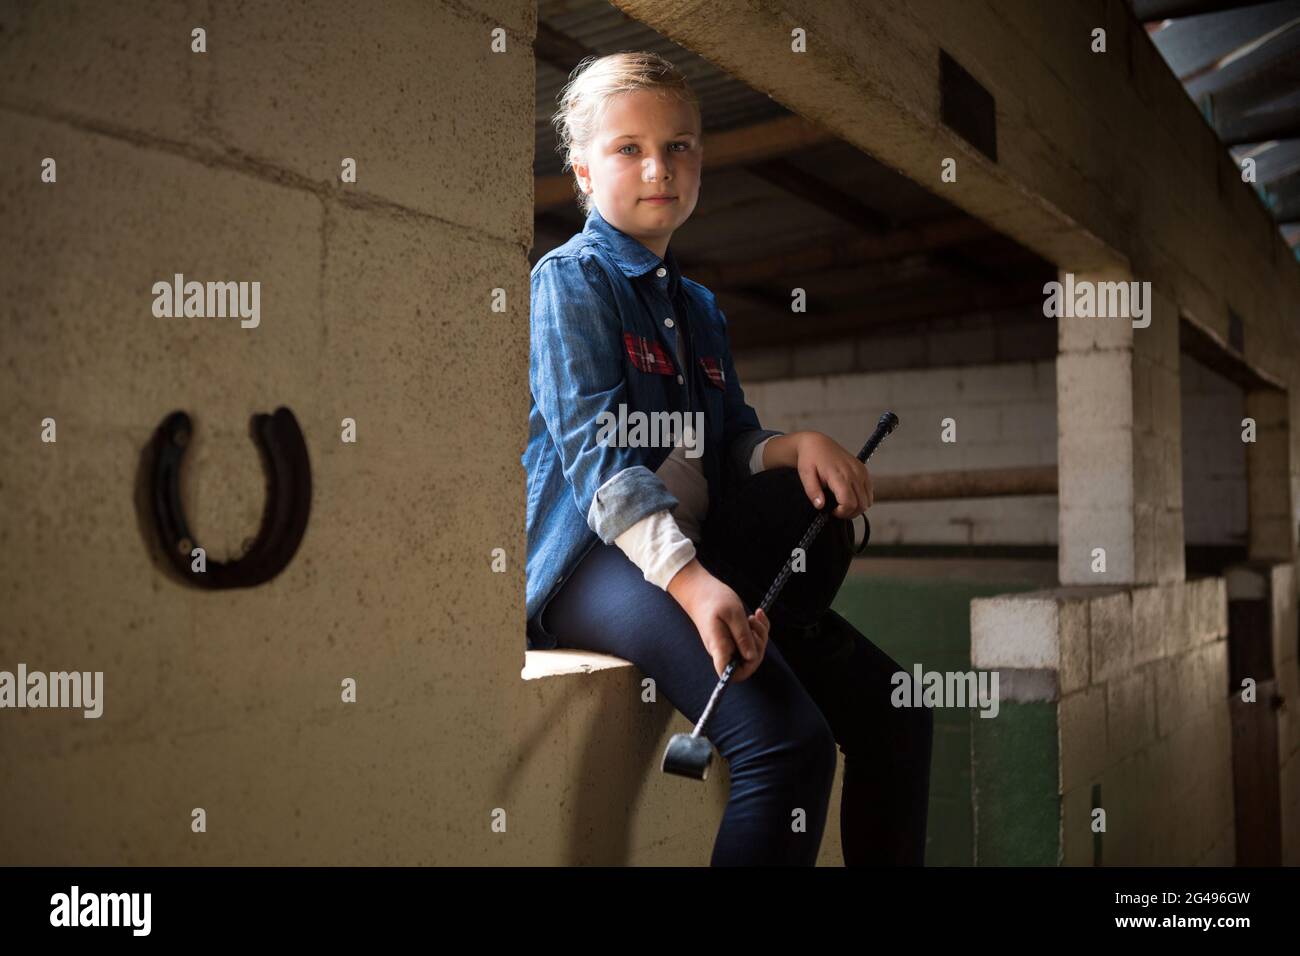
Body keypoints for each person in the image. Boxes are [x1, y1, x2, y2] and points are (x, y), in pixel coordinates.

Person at [524, 51, 932, 866]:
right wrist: (690, 579)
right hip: (596, 563)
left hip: (693, 549)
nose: (658, 167)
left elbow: (731, 437)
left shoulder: (698, 307)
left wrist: (796, 445)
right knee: (788, 746)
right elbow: (598, 463)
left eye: (679, 147)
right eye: (628, 148)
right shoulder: (571, 282)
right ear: (581, 169)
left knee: (898, 709)